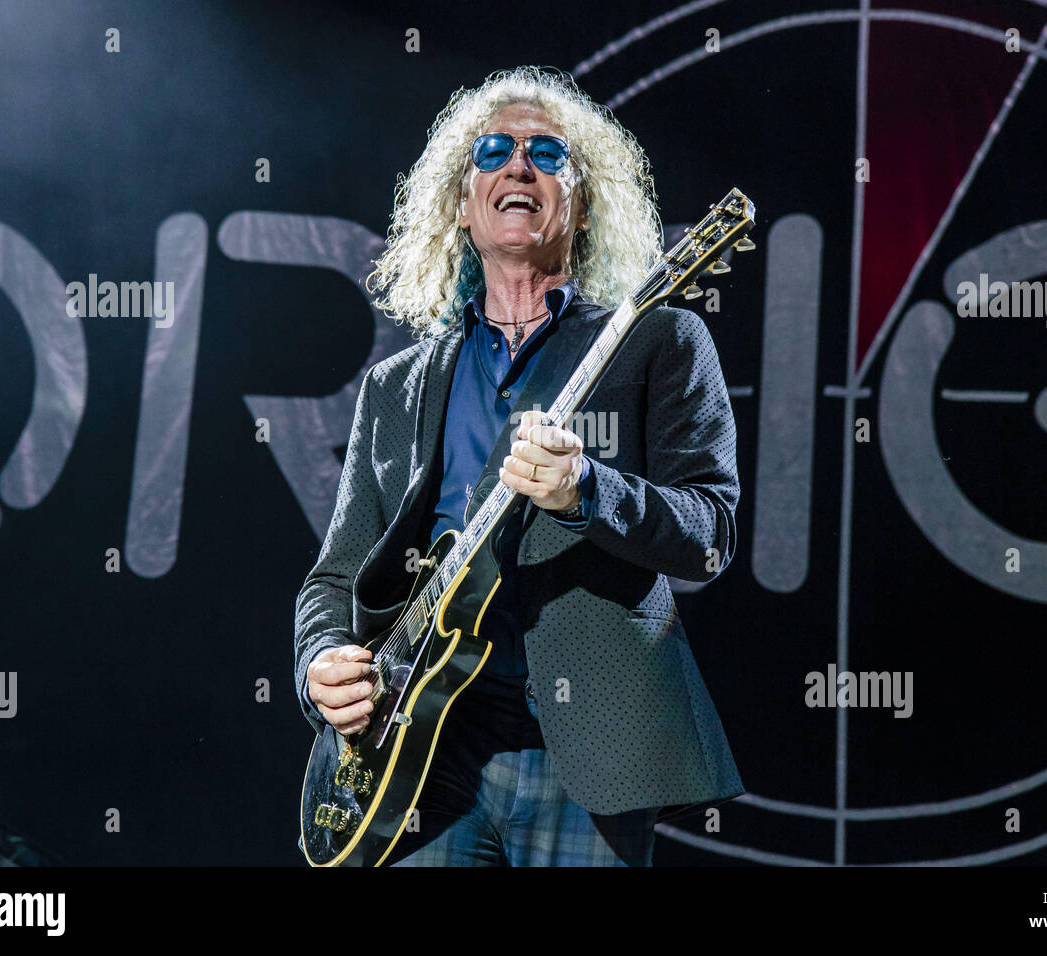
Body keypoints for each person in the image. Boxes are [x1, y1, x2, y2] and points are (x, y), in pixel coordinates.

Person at [294, 65, 742, 866]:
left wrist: (587, 491)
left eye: (548, 154)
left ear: (582, 200)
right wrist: (318, 664)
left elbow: (711, 536)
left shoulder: (657, 342)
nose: (519, 165)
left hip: (587, 749)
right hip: (421, 754)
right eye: (493, 150)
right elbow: (334, 579)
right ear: (462, 205)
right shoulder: (395, 387)